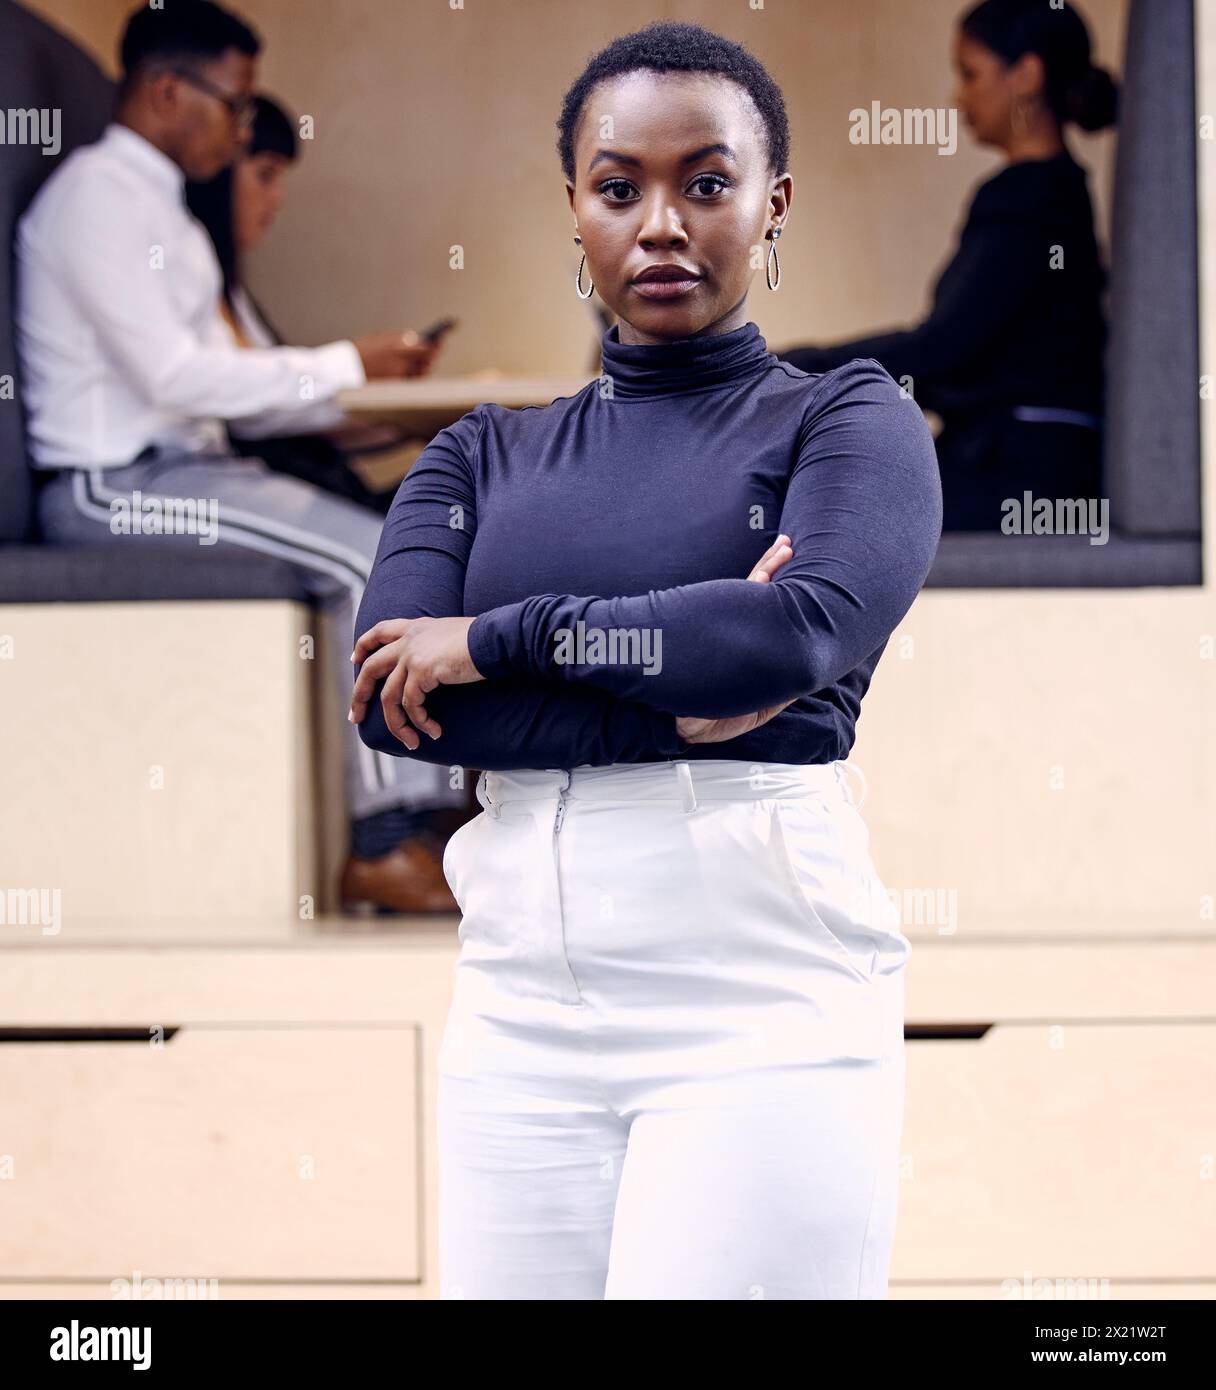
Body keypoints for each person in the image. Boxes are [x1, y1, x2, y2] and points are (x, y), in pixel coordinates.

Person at [348, 21, 942, 1298]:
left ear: (771, 203)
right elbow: (400, 714)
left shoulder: (850, 420)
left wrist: (494, 644)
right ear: (574, 208)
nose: (660, 221)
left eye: (706, 183)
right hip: (517, 1019)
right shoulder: (472, 457)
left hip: (762, 1013)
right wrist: (687, 696)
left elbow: (789, 633)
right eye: (619, 187)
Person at [16, 0, 461, 913]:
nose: (242, 124)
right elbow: (179, 380)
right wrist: (345, 365)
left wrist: (382, 403)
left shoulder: (166, 218)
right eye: (234, 101)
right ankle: (385, 843)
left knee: (398, 541)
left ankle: (436, 815)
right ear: (168, 91)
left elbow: (229, 387)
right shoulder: (97, 198)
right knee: (365, 560)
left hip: (183, 469)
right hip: (113, 486)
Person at [780, 0, 1117, 531]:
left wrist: (788, 369)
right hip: (1029, 464)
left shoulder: (1030, 197)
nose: (958, 98)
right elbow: (961, 357)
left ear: (1026, 74)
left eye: (970, 74)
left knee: (805, 516)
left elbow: (941, 350)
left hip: (1017, 475)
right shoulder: (1057, 192)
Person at [185, 93, 410, 514]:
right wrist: (353, 361)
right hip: (279, 487)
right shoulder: (197, 288)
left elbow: (295, 417)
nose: (278, 198)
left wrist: (423, 412)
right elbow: (251, 413)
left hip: (319, 477)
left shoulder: (234, 294)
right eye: (265, 175)